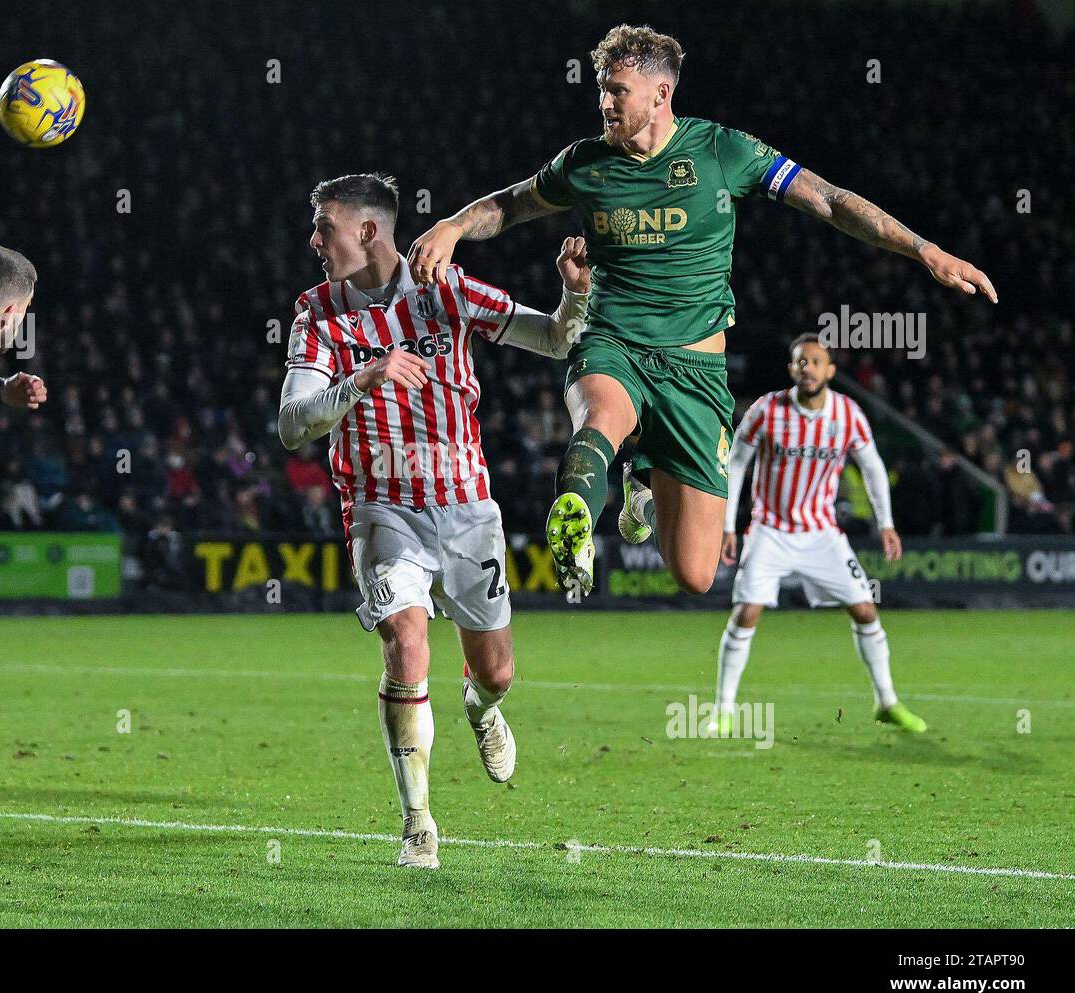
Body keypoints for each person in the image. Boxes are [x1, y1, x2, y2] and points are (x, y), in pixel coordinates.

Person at [408, 23, 996, 597]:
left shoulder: (721, 151)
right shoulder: (584, 163)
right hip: (614, 342)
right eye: (602, 90)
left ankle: (644, 472)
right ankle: (575, 519)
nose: (604, 102)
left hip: (696, 370)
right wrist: (453, 224)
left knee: (694, 574)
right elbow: (511, 204)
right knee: (599, 418)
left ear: (661, 94)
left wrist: (925, 249)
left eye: (618, 91)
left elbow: (830, 200)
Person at [279, 173, 588, 869]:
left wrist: (573, 292)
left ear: (367, 231)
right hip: (381, 508)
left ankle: (482, 711)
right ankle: (418, 819)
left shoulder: (445, 288)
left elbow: (558, 341)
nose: (313, 240)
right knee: (405, 644)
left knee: (498, 671)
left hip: (467, 507)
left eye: (324, 226)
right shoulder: (316, 312)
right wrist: (363, 378)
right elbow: (293, 425)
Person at [715, 334, 926, 734]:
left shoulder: (847, 414)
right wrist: (727, 525)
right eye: (800, 361)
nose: (807, 368)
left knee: (865, 610)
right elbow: (737, 464)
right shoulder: (767, 410)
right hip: (770, 530)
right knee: (747, 612)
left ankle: (887, 702)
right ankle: (724, 710)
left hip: (822, 533)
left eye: (815, 361)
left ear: (830, 370)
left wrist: (886, 523)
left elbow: (873, 468)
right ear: (791, 368)